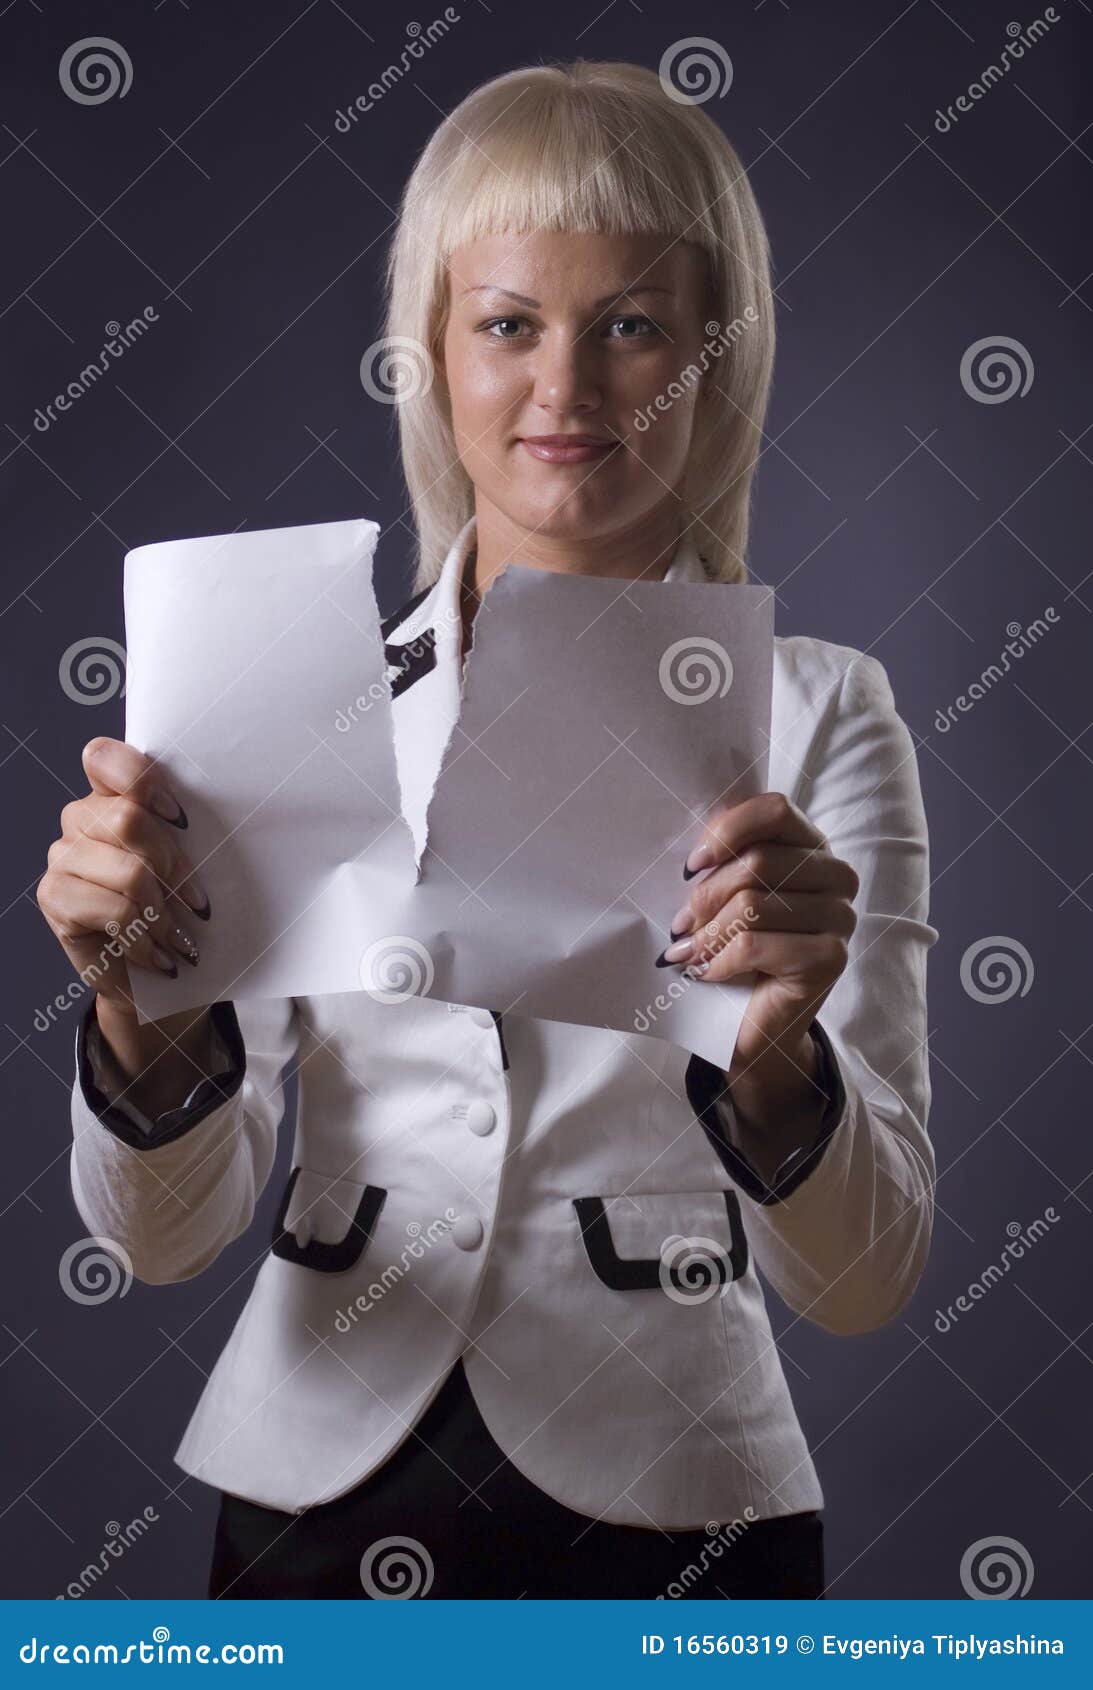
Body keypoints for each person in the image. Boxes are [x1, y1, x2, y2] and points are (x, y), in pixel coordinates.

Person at [37, 59, 936, 1600]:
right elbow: (163, 1239)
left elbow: (862, 1277)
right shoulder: (293, 694)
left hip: (683, 1498)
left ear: (718, 359)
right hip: (311, 1483)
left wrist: (780, 1048)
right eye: (509, 324)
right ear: (432, 358)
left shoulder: (821, 713)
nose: (567, 391)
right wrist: (132, 1005)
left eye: (632, 326)